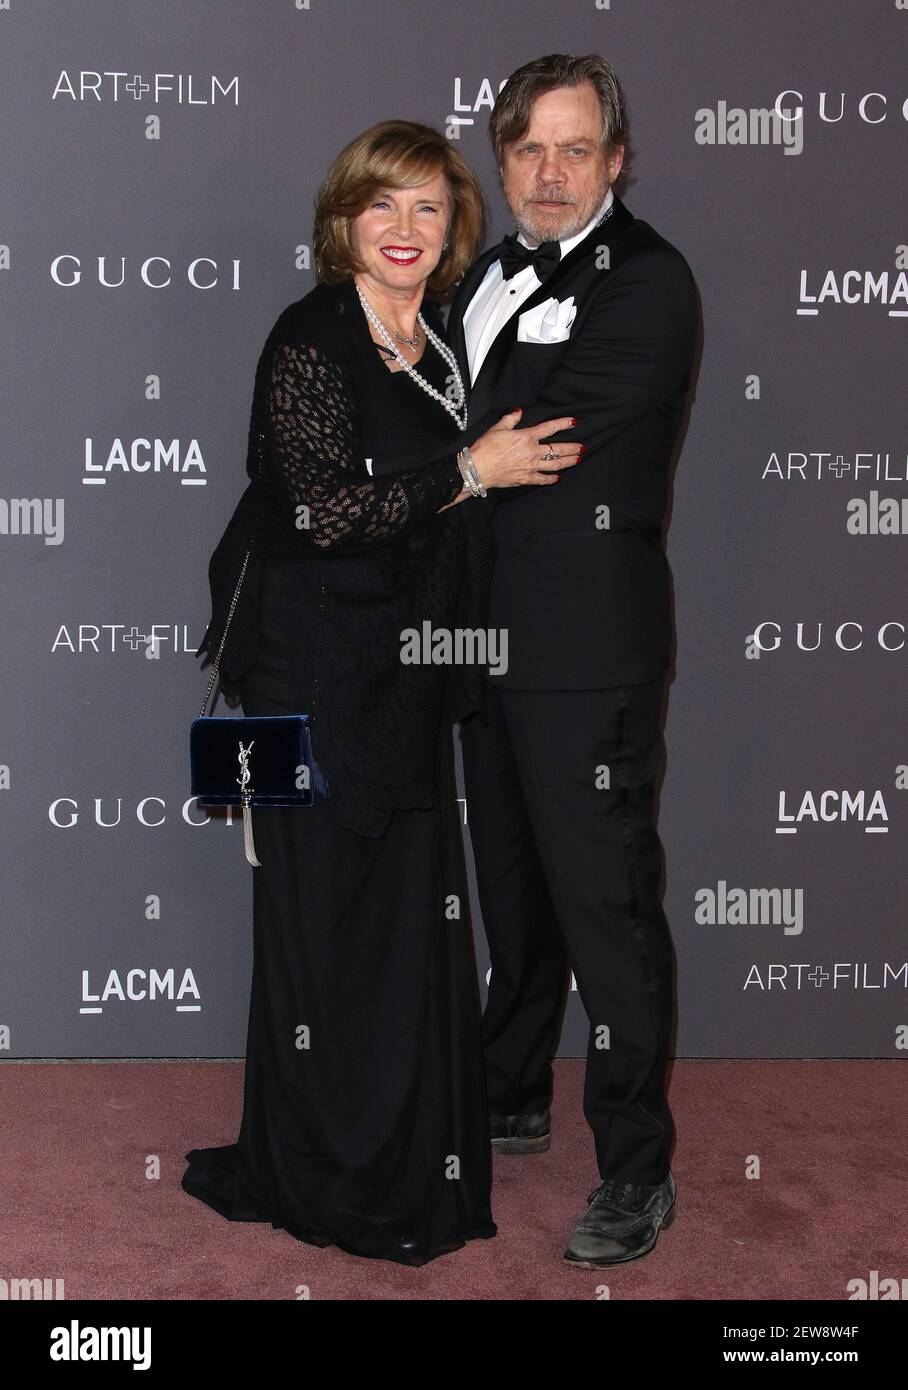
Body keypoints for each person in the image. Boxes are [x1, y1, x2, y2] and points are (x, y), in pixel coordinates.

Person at [180, 118, 581, 1267]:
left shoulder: (440, 337)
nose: (405, 230)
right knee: (314, 924)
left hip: (402, 677)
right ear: (343, 220)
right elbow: (313, 511)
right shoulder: (309, 336)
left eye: (429, 208)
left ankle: (403, 1149)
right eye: (382, 207)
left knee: (398, 926)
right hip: (299, 678)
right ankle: (320, 1173)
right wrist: (467, 468)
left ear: (454, 227)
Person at [448, 54, 699, 1267]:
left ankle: (636, 1166)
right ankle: (508, 1087)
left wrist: (444, 441)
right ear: (499, 164)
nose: (547, 174)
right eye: (525, 151)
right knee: (512, 890)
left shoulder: (647, 283)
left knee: (603, 911)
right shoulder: (485, 274)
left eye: (573, 148)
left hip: (585, 651)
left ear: (615, 160)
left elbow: (528, 439)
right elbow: (466, 443)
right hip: (479, 639)